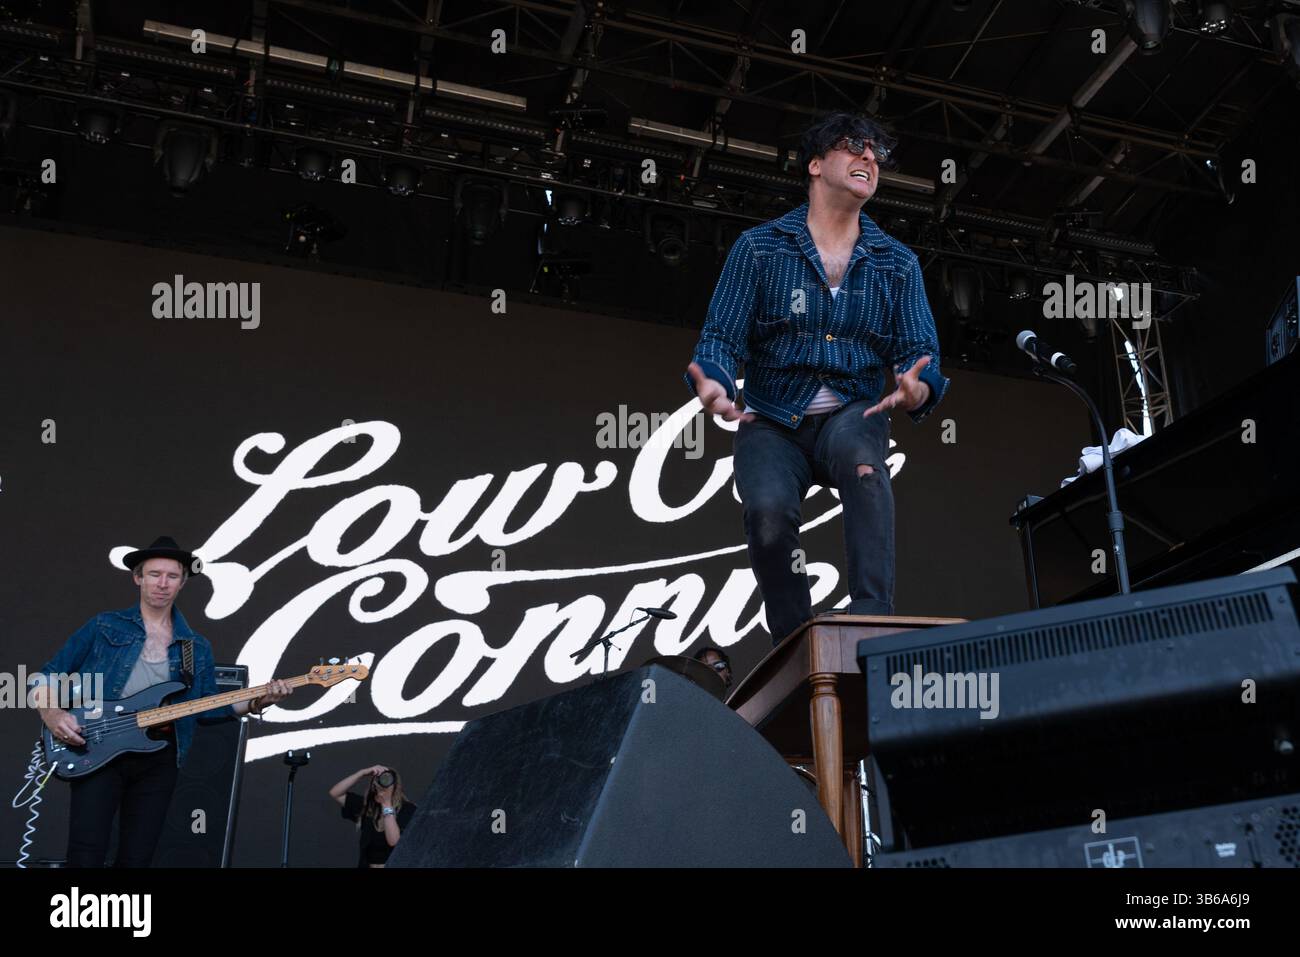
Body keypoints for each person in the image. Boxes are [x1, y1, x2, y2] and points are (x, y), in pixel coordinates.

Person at [685, 111, 949, 646]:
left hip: (853, 410)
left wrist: (916, 387)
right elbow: (721, 337)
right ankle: (794, 639)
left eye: (876, 152)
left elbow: (920, 352)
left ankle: (874, 620)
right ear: (814, 164)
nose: (869, 158)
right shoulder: (759, 248)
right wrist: (713, 382)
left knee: (864, 469)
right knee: (766, 513)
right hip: (771, 419)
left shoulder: (897, 263)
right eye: (854, 147)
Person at [29, 535, 294, 867]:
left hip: (159, 756)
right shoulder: (105, 625)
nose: (162, 584)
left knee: (138, 856)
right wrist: (52, 713)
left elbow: (211, 708)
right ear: (138, 577)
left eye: (172, 576)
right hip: (98, 744)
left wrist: (258, 701)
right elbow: (47, 675)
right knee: (86, 851)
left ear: (182, 583)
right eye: (154, 574)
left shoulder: (195, 646)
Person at [329, 765, 418, 867]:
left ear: (395, 786)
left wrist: (386, 804)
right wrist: (362, 773)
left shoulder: (408, 809)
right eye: (378, 781)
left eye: (387, 780)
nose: (381, 785)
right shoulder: (368, 807)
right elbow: (335, 793)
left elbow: (394, 842)